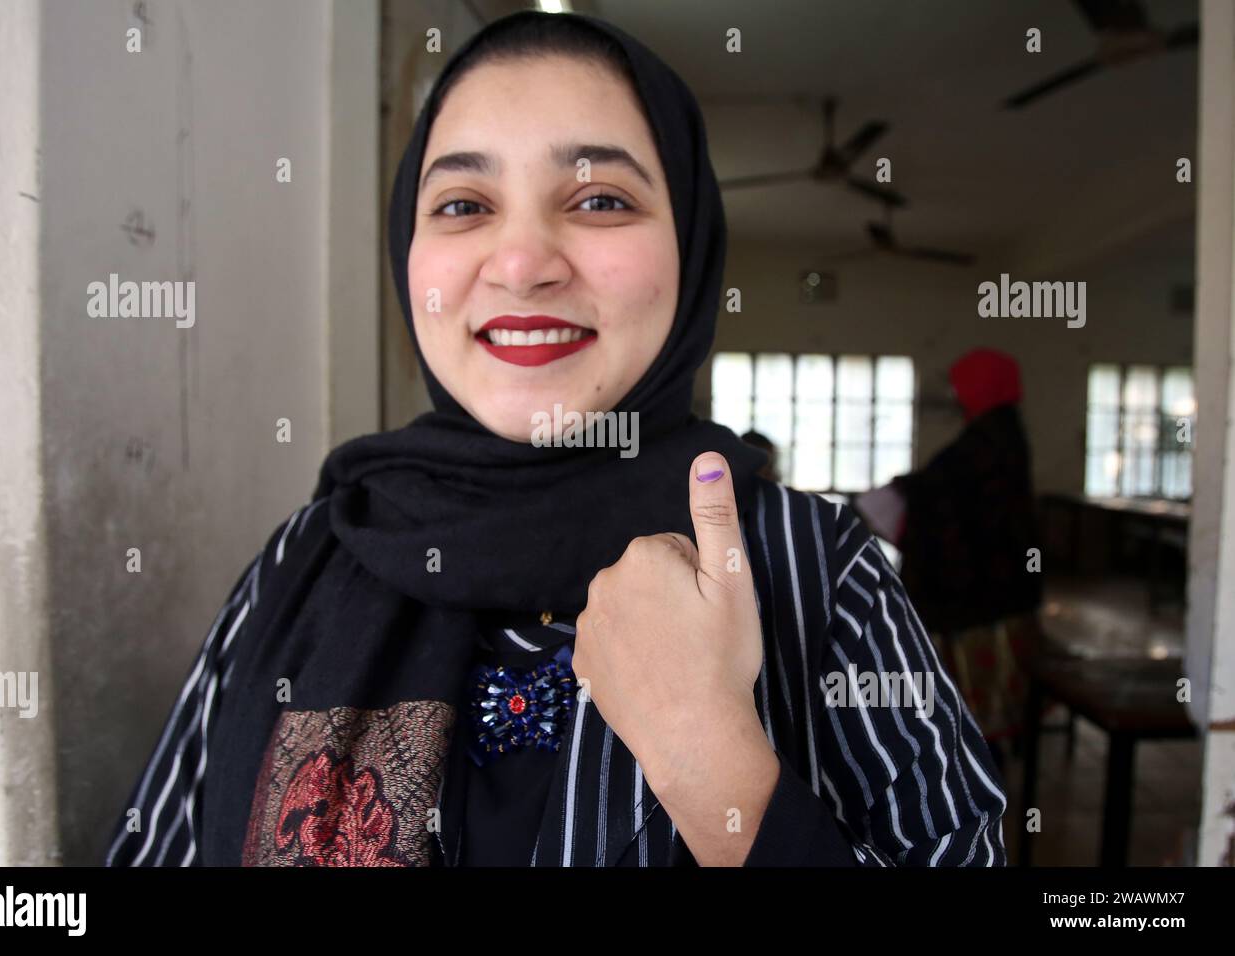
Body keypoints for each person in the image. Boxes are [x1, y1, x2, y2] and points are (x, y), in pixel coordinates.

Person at [105, 10, 1005, 868]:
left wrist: (709, 753)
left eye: (601, 198)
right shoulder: (316, 549)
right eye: (462, 205)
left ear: (690, 249)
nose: (524, 261)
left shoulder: (813, 570)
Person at [855, 348, 1043, 761]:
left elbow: (945, 489)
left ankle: (977, 771)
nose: (956, 396)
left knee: (978, 700)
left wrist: (902, 492)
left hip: (982, 597)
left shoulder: (989, 440)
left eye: (962, 386)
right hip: (1000, 589)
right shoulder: (1000, 433)